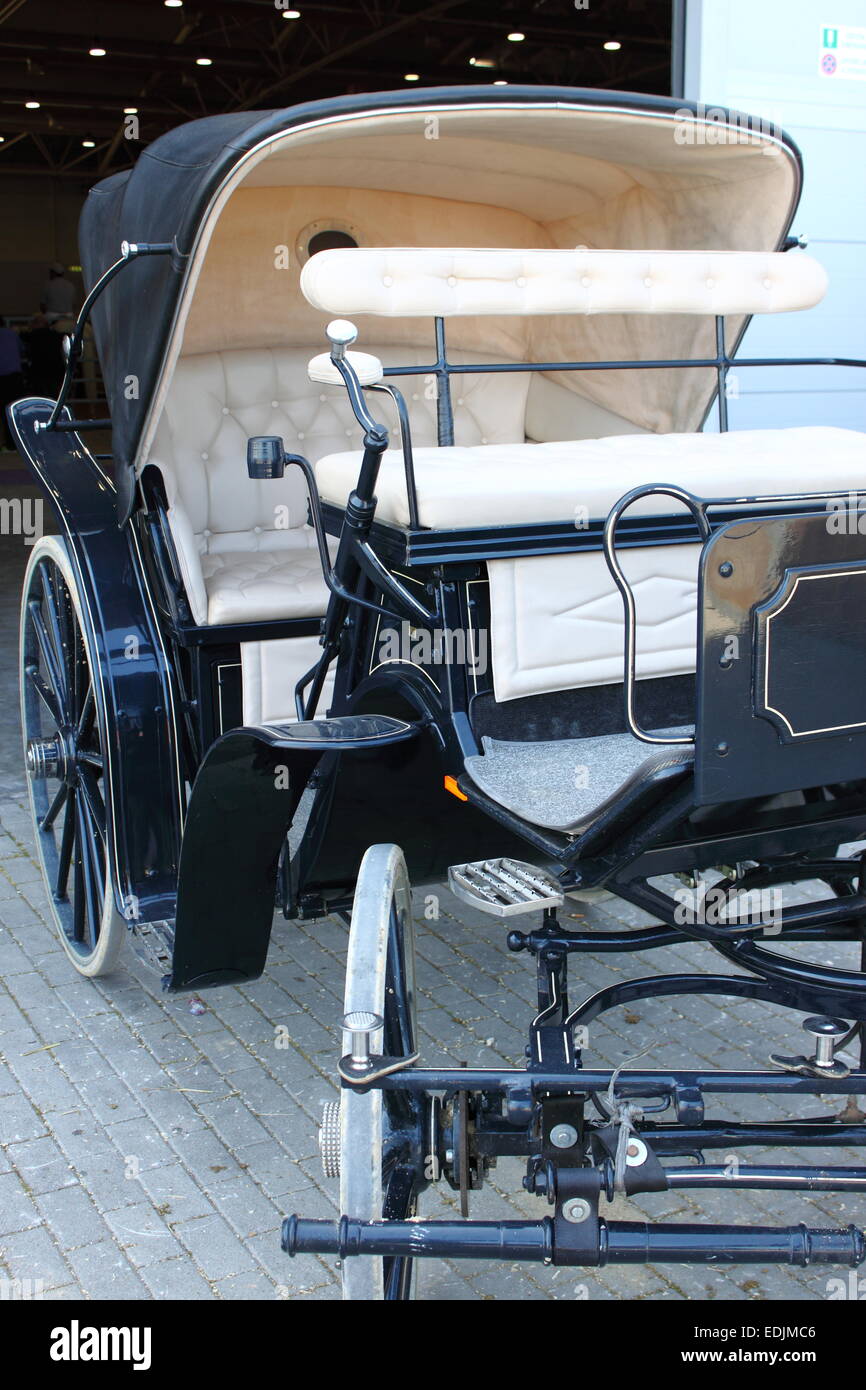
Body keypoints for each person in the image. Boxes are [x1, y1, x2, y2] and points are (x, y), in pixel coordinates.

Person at [0, 316, 23, 451]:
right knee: (12, 411)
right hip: (14, 377)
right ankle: (12, 444)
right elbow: (22, 349)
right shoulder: (12, 334)